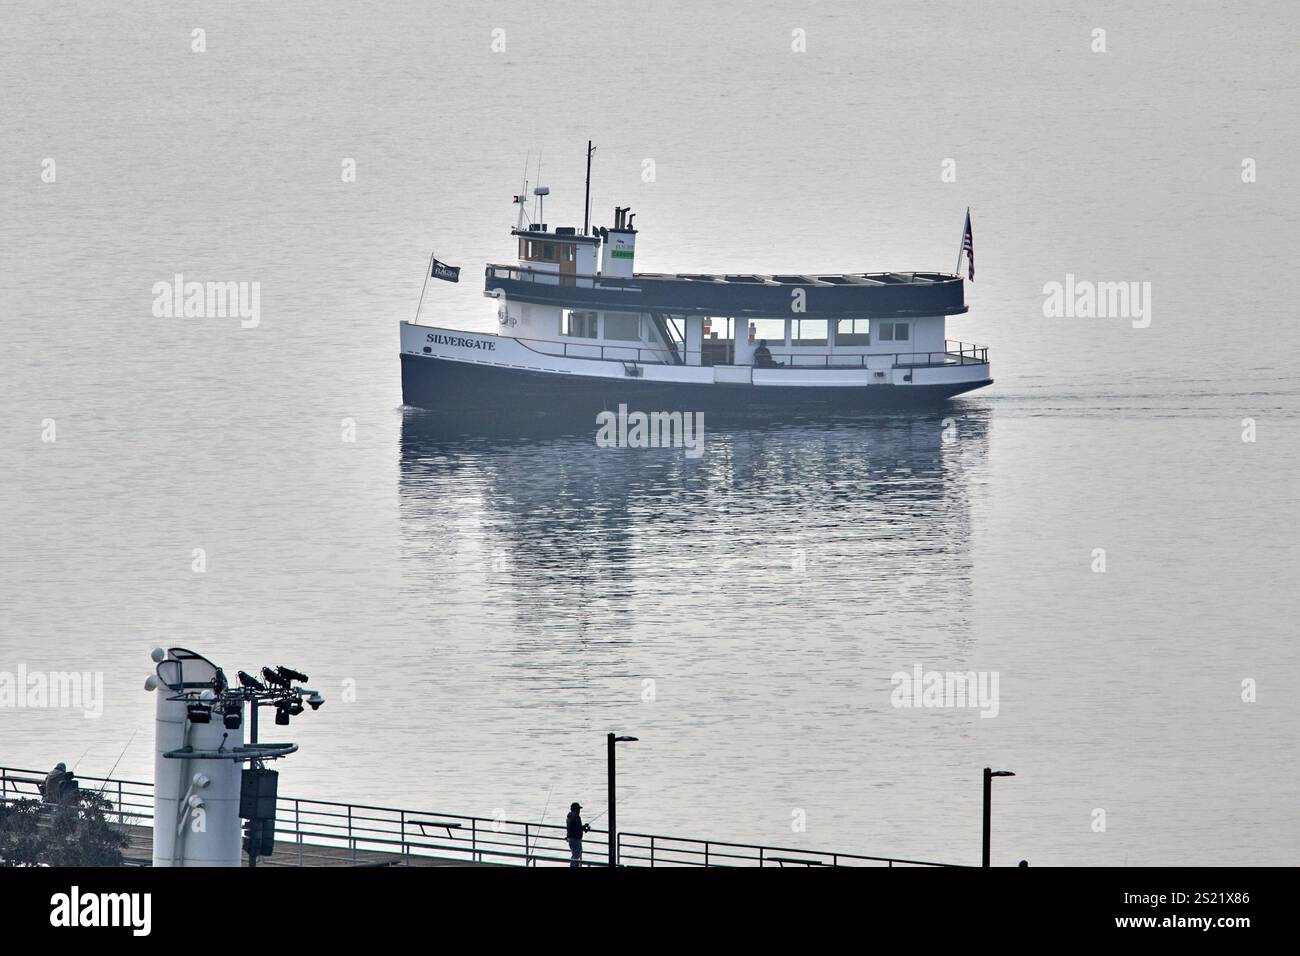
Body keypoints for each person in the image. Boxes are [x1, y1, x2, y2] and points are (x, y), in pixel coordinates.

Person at [566, 802, 590, 868]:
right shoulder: (576, 817)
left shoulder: (569, 817)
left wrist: (583, 827)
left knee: (576, 854)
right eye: (578, 809)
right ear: (575, 809)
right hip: (575, 839)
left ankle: (575, 866)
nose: (579, 811)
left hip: (571, 838)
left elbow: (574, 827)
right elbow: (577, 828)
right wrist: (584, 828)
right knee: (576, 855)